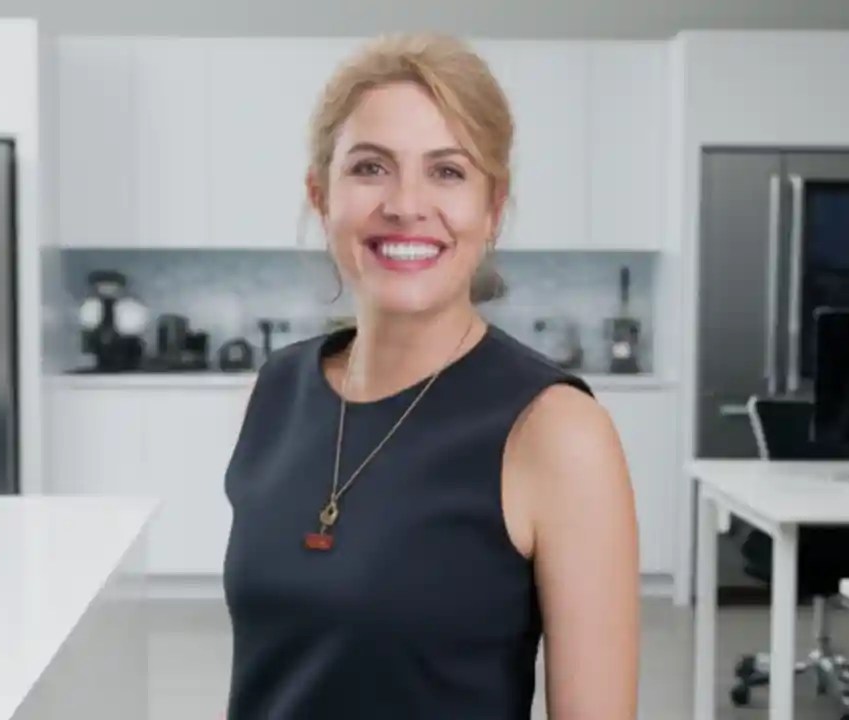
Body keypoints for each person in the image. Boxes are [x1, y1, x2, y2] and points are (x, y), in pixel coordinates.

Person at [222, 32, 640, 719]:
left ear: (492, 207)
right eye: (370, 168)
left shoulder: (555, 431)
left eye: (447, 171)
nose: (407, 204)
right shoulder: (273, 391)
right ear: (321, 195)